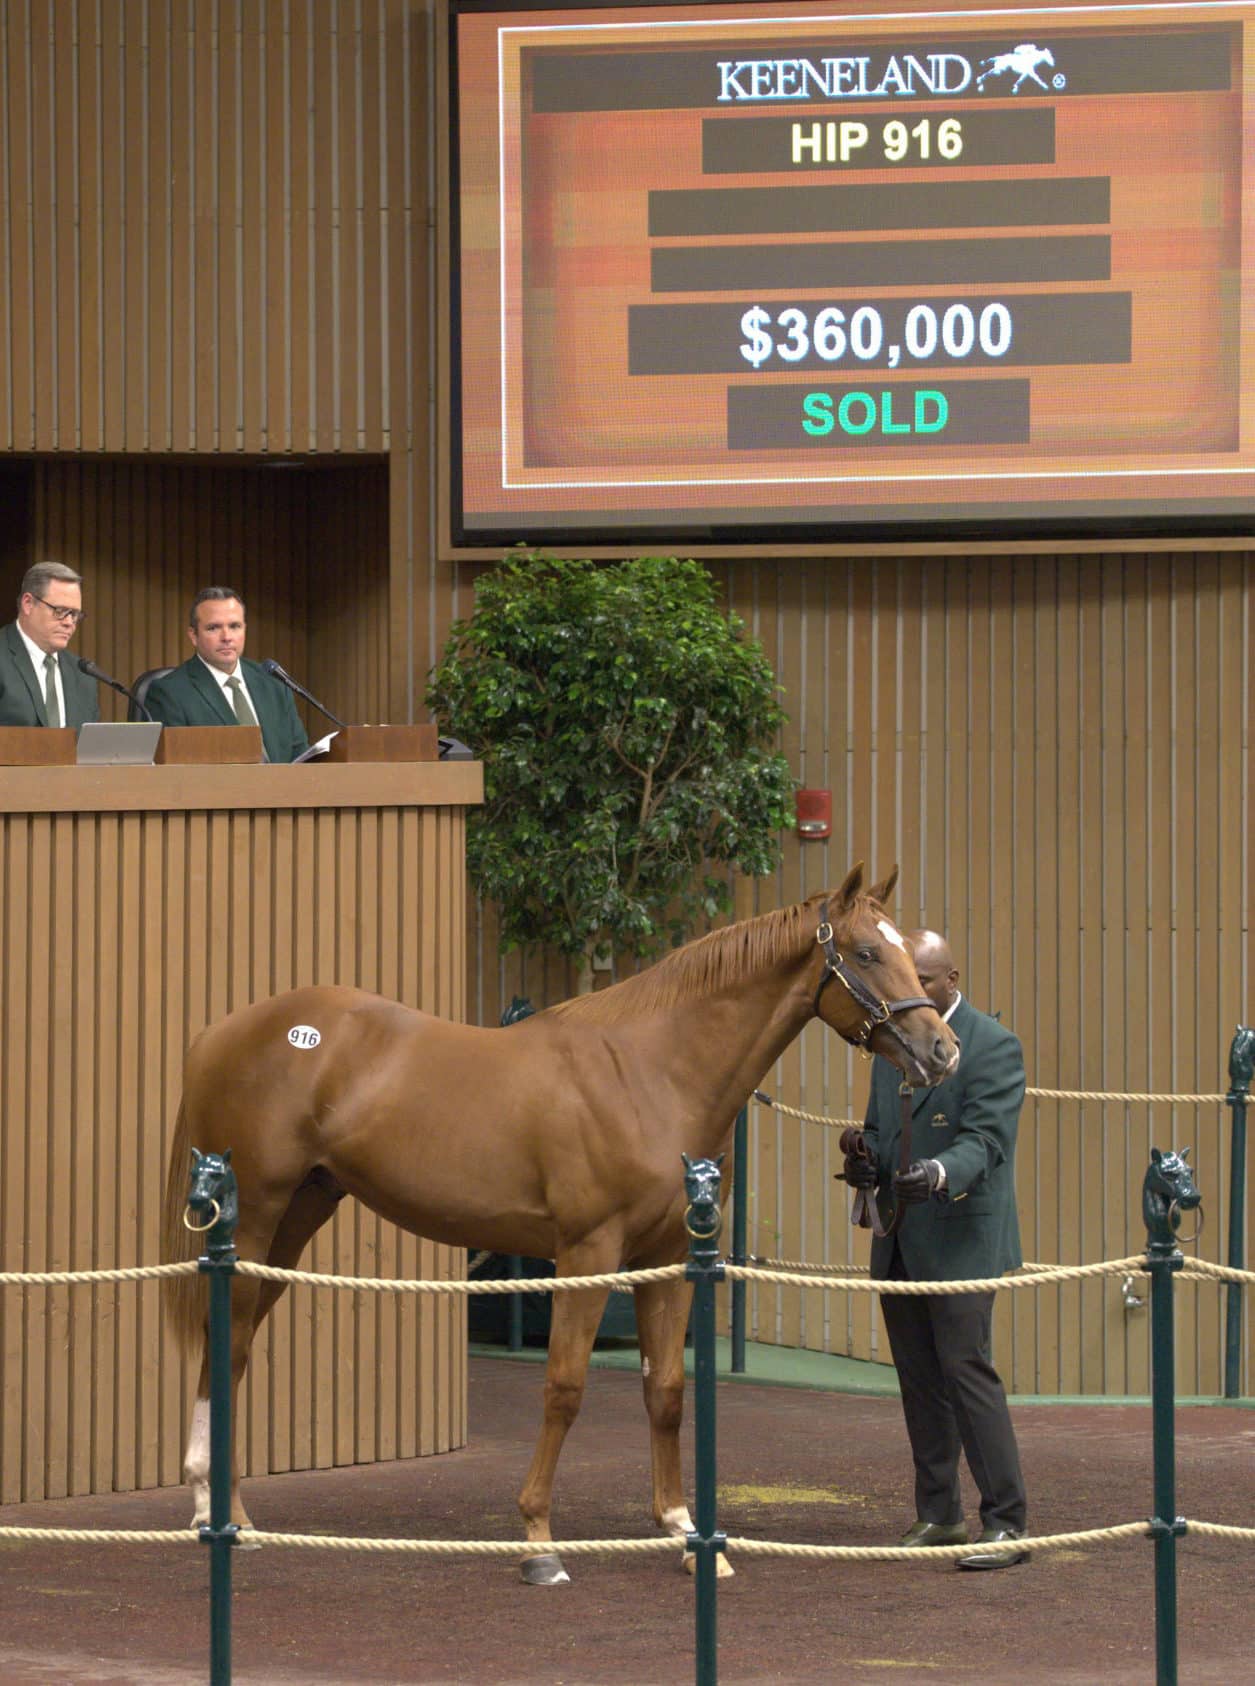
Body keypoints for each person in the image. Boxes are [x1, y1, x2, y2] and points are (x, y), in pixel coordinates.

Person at [843, 928, 1029, 1570]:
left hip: (961, 1240)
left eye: (921, 980)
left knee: (967, 1375)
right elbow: (879, 1129)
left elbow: (986, 1142)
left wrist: (939, 1173)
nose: (910, 990)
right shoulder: (892, 1046)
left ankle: (1006, 1522)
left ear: (951, 978)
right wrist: (864, 1157)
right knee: (920, 1383)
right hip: (898, 1240)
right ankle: (939, 1514)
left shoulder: (994, 1045)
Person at [144, 587, 309, 763]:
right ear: (193, 636)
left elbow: (300, 757)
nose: (227, 637)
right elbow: (174, 770)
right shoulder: (169, 692)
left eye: (234, 626)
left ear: (245, 629)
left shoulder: (273, 683)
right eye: (213, 628)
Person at [0, 562, 99, 728]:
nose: (69, 622)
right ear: (28, 604)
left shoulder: (83, 676)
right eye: (59, 611)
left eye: (74, 614)